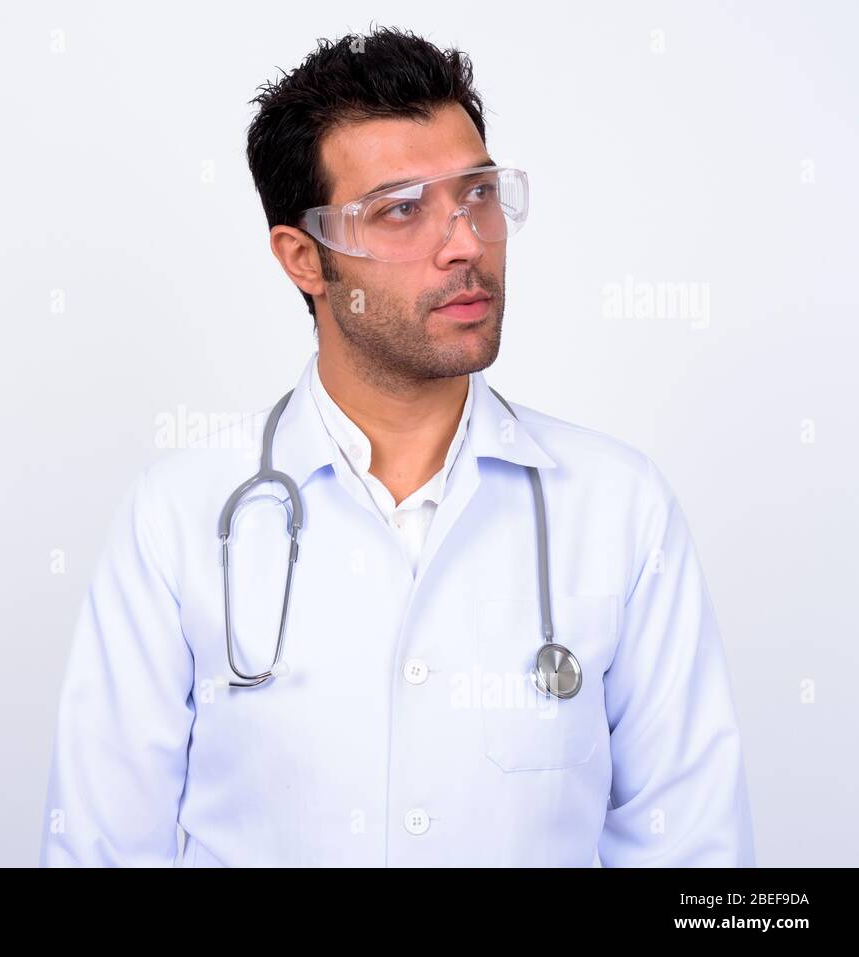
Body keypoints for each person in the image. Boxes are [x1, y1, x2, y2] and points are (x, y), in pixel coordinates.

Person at [39, 26, 755, 867]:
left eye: (477, 195)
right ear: (304, 258)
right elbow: (102, 850)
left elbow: (696, 853)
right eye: (401, 210)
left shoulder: (620, 509)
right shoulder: (179, 517)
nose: (463, 243)